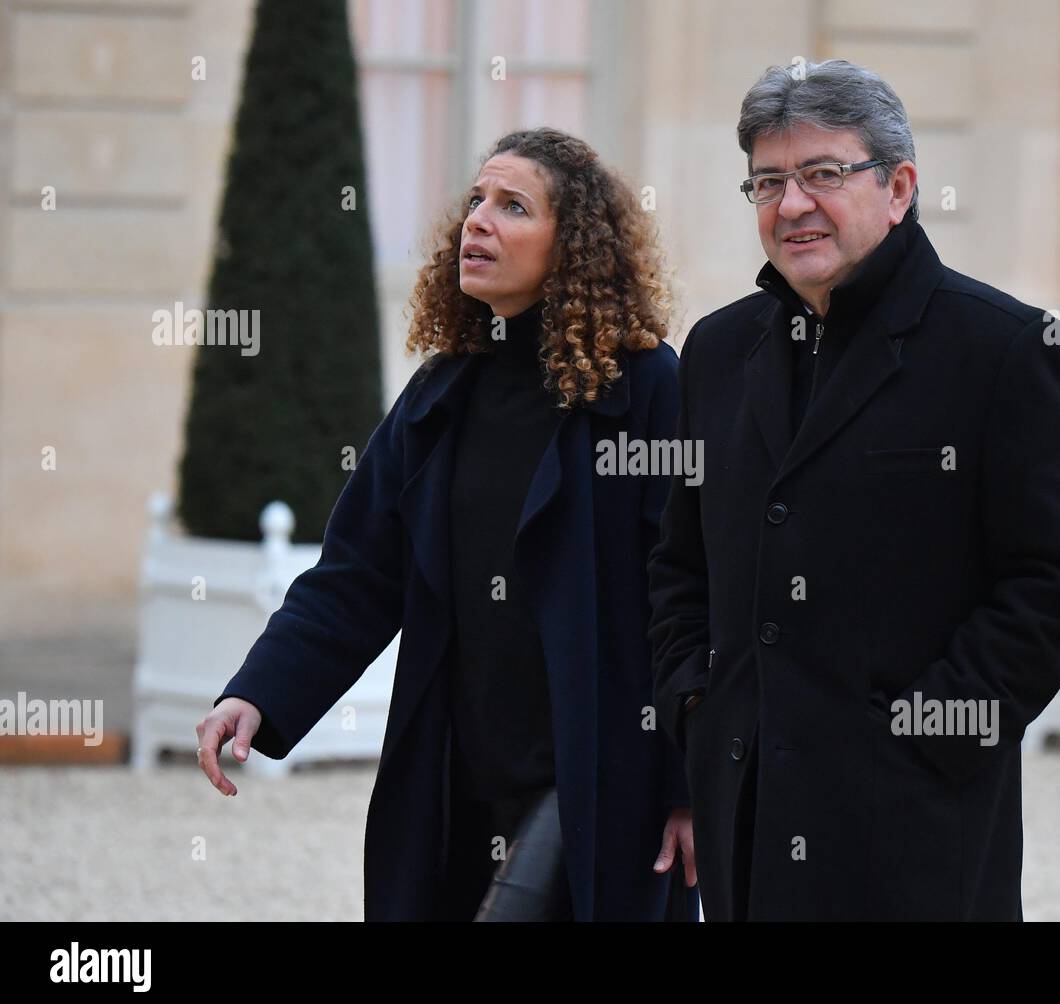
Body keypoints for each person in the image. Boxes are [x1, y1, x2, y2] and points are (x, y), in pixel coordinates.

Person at [648, 60, 1060, 920]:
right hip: (746, 827)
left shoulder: (1003, 350)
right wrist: (693, 706)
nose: (791, 205)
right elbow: (681, 562)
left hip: (918, 839)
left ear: (899, 187)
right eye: (767, 181)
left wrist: (920, 737)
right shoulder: (715, 354)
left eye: (824, 174)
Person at [196, 127, 698, 922]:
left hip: (595, 771)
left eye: (512, 206)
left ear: (573, 245)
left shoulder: (644, 390)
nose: (478, 222)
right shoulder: (439, 398)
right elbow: (358, 572)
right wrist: (260, 692)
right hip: (454, 772)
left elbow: (688, 596)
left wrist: (688, 784)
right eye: (475, 202)